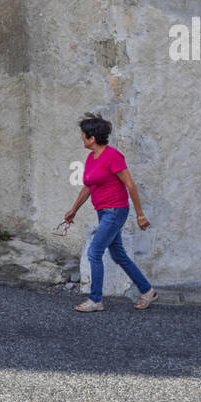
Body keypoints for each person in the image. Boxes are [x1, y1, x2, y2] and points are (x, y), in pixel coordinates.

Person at [63, 113, 156, 311]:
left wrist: (140, 214)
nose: (81, 137)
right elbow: (87, 187)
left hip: (115, 211)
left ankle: (95, 300)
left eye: (83, 134)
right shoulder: (91, 157)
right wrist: (73, 210)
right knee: (118, 255)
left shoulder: (112, 156)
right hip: (103, 211)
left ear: (92, 137)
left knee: (94, 252)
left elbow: (130, 185)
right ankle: (147, 290)